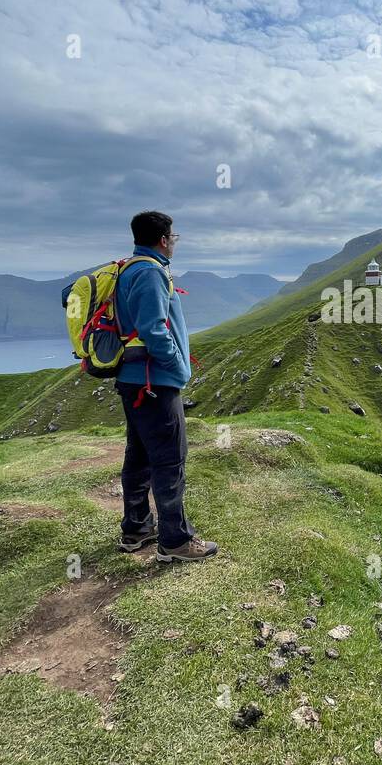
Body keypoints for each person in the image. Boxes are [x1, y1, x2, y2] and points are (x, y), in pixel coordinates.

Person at [112, 210, 217, 562]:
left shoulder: (129, 268)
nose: (175, 242)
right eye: (174, 236)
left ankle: (137, 528)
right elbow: (154, 329)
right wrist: (176, 366)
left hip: (135, 381)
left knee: (140, 455)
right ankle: (176, 540)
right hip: (154, 383)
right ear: (163, 239)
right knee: (170, 459)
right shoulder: (151, 273)